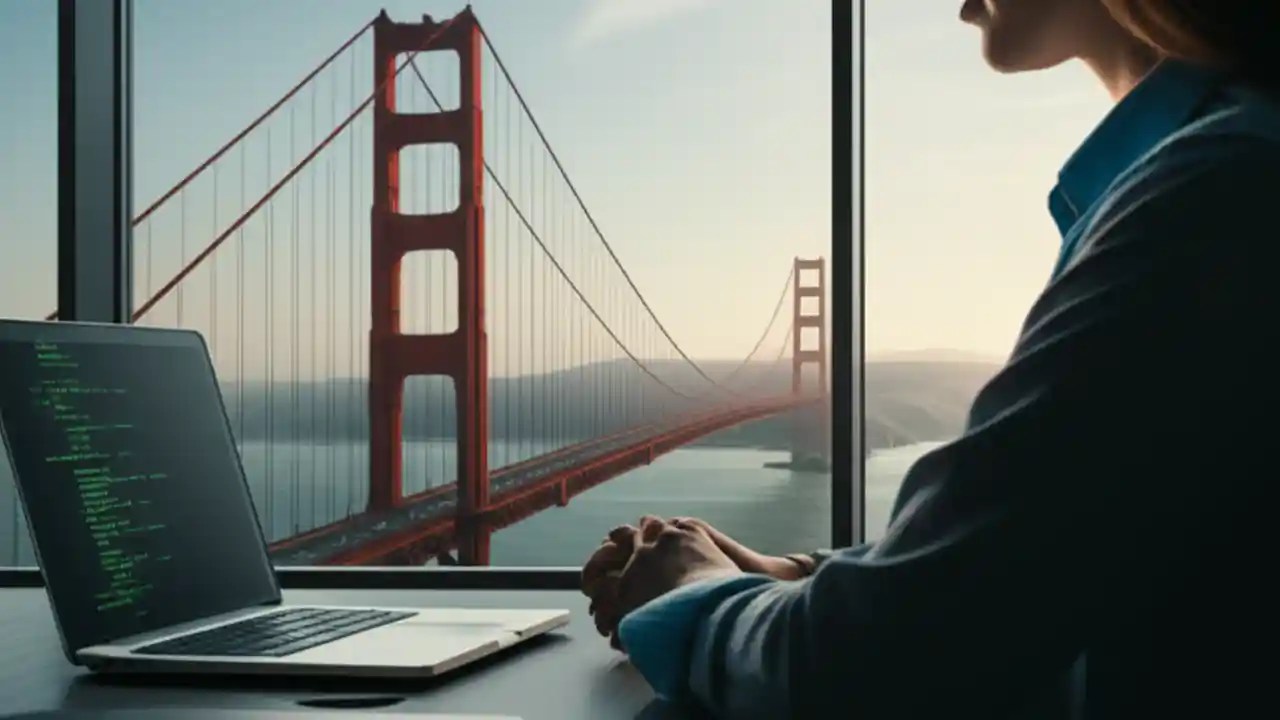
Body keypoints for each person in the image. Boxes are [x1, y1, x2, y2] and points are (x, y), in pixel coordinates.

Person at [581, 1, 1280, 717]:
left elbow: (868, 670)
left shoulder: (1213, 199)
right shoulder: (1215, 172)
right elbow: (1044, 577)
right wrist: (798, 575)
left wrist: (690, 593)